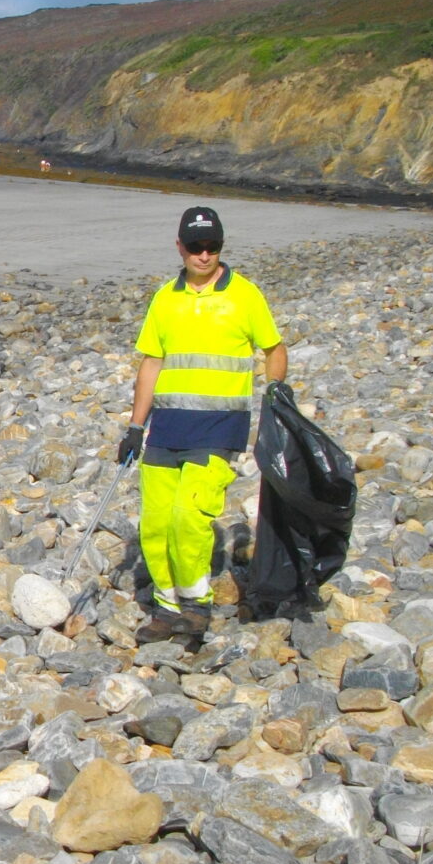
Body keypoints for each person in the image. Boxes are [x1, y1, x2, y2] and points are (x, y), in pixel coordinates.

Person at [118, 206, 287, 642]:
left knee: (188, 518)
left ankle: (196, 608)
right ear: (180, 248)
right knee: (155, 523)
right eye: (196, 247)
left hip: (220, 429)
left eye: (213, 246)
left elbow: (273, 349)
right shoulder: (165, 298)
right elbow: (151, 364)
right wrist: (135, 427)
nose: (205, 255)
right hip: (166, 428)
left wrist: (277, 395)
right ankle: (166, 607)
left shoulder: (244, 295)